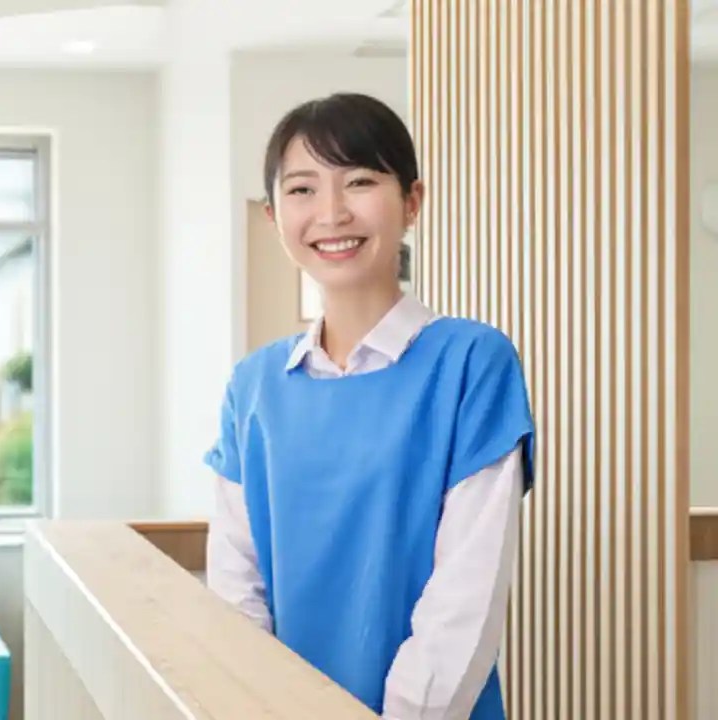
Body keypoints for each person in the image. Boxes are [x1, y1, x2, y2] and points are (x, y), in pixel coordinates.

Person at [204, 93, 534, 720]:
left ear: (412, 201)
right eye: (302, 189)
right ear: (274, 216)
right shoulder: (252, 385)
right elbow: (235, 590)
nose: (331, 212)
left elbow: (465, 601)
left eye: (359, 181)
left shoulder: (471, 363)